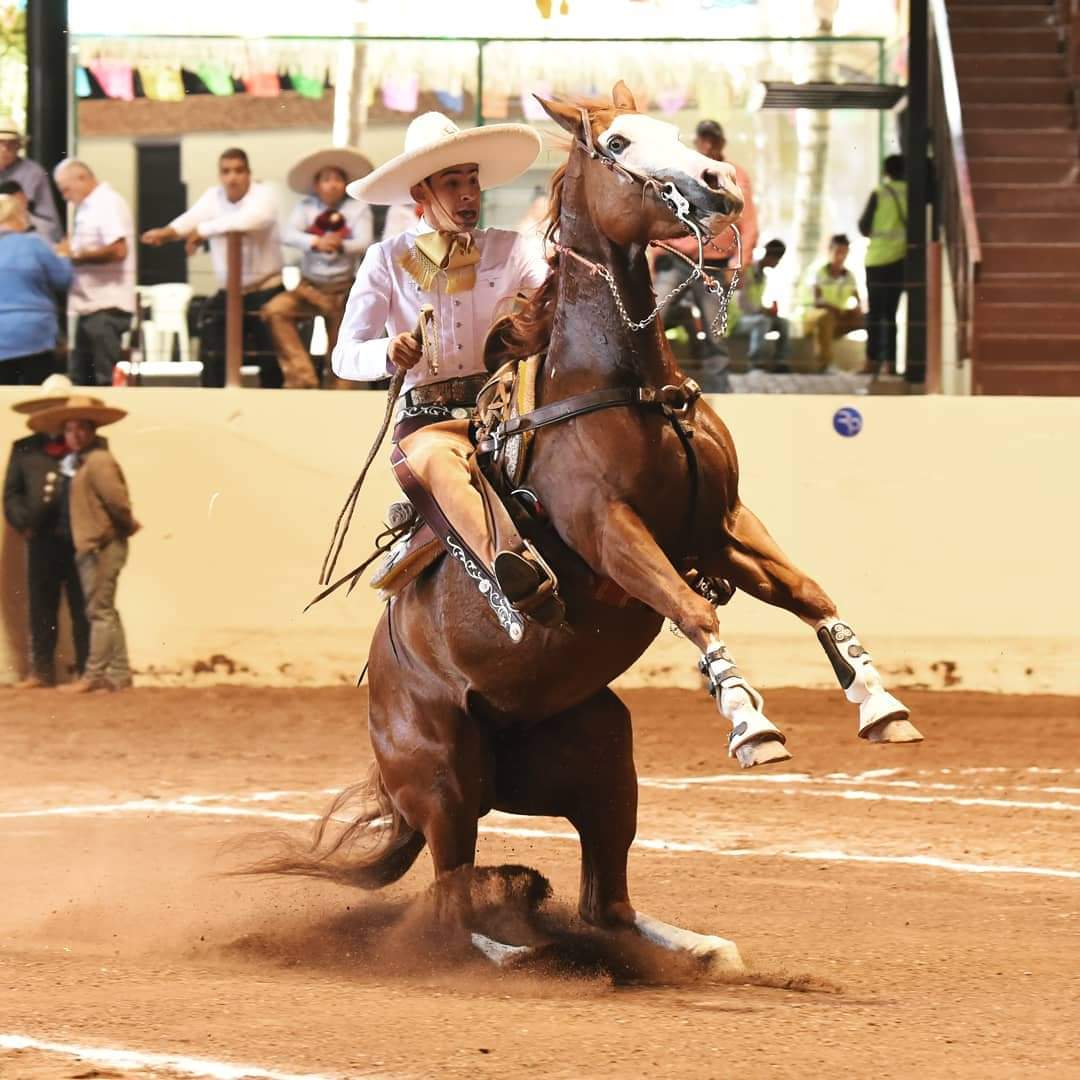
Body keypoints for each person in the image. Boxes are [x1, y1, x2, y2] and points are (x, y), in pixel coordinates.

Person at [333, 111, 557, 617]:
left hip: (504, 414)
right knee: (437, 462)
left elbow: (553, 295)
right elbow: (344, 355)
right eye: (452, 183)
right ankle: (511, 570)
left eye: (473, 181)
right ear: (420, 193)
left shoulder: (511, 247)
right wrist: (387, 353)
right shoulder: (385, 259)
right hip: (427, 423)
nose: (467, 195)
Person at [141, 148, 284, 388]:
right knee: (213, 350)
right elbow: (191, 219)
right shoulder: (214, 196)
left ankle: (273, 409)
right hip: (230, 293)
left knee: (270, 361)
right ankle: (213, 400)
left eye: (238, 171)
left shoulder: (264, 195)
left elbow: (252, 219)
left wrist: (203, 231)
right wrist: (167, 234)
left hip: (266, 291)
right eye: (226, 172)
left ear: (248, 173)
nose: (232, 178)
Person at [27, 396, 138, 694]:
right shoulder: (84, 461)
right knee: (104, 610)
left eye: (81, 428)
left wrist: (123, 526)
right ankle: (119, 672)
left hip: (100, 545)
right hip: (96, 544)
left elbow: (117, 502)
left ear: (91, 430)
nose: (74, 435)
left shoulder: (98, 461)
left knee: (99, 611)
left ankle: (94, 675)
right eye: (69, 429)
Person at [3, 377, 93, 688]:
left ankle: (86, 670)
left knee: (84, 607)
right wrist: (23, 523)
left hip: (79, 537)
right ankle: (40, 670)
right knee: (41, 606)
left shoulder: (90, 445)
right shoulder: (24, 449)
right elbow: (11, 494)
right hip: (41, 539)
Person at [262, 147, 374, 388]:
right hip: (309, 287)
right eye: (326, 179)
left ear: (345, 183)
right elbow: (287, 234)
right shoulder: (305, 208)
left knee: (340, 345)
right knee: (276, 311)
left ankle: (340, 393)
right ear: (316, 185)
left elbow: (364, 242)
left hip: (343, 291)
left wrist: (340, 245)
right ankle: (303, 376)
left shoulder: (358, 208)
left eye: (337, 179)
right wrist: (314, 242)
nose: (332, 185)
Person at [654, 118, 759, 365]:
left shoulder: (735, 175)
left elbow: (749, 222)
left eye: (712, 139)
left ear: (721, 142)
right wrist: (656, 253)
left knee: (715, 333)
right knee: (654, 317)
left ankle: (719, 391)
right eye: (704, 139)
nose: (708, 144)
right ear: (698, 141)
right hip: (677, 258)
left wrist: (740, 262)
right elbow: (665, 213)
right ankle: (651, 379)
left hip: (713, 263)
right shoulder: (683, 171)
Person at [53, 160, 137, 387]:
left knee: (105, 381)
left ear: (82, 178)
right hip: (90, 306)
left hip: (106, 307)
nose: (65, 196)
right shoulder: (88, 208)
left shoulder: (106, 203)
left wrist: (74, 256)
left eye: (66, 189)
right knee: (81, 380)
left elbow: (119, 250)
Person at [0, 194, 71, 385]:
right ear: (16, 216)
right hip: (35, 334)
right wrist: (63, 254)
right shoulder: (33, 243)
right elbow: (63, 280)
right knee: (39, 397)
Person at [859, 154, 907, 376]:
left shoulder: (880, 193)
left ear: (886, 172)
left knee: (875, 314)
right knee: (891, 314)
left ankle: (871, 362)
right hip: (899, 260)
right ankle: (890, 363)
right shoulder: (911, 193)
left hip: (877, 261)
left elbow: (863, 227)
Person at [804, 234, 864, 373]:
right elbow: (816, 301)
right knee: (826, 317)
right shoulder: (817, 271)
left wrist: (857, 309)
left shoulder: (850, 276)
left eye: (845, 252)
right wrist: (834, 308)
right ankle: (826, 365)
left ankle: (870, 363)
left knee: (868, 319)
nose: (841, 256)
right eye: (838, 252)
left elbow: (859, 301)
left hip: (839, 317)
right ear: (829, 251)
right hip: (814, 317)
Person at [0, 117, 63, 243]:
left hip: (33, 231)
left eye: (11, 144)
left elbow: (50, 227)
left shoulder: (33, 172)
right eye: (0, 143)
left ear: (19, 146)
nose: (4, 149)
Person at [733, 238, 790, 372]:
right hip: (739, 319)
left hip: (754, 315)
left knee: (783, 323)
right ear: (771, 257)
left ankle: (781, 361)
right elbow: (742, 302)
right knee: (762, 322)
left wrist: (766, 310)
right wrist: (763, 310)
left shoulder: (762, 276)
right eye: (778, 259)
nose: (777, 263)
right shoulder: (747, 270)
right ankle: (755, 363)